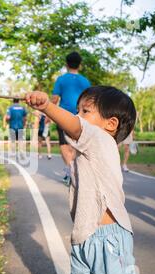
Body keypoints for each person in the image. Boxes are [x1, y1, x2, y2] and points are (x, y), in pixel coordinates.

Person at [25, 86, 138, 274]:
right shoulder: (88, 150)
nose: (78, 116)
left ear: (110, 124)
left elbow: (76, 127)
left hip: (110, 241)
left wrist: (48, 106)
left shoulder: (102, 140)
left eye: (85, 111)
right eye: (77, 111)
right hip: (82, 238)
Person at [51, 51, 91, 185]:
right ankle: (72, 171)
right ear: (80, 65)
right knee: (74, 145)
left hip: (62, 116)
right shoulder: (85, 81)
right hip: (80, 117)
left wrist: (48, 113)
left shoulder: (61, 79)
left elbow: (55, 99)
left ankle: (70, 170)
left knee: (63, 144)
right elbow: (89, 101)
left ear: (66, 64)